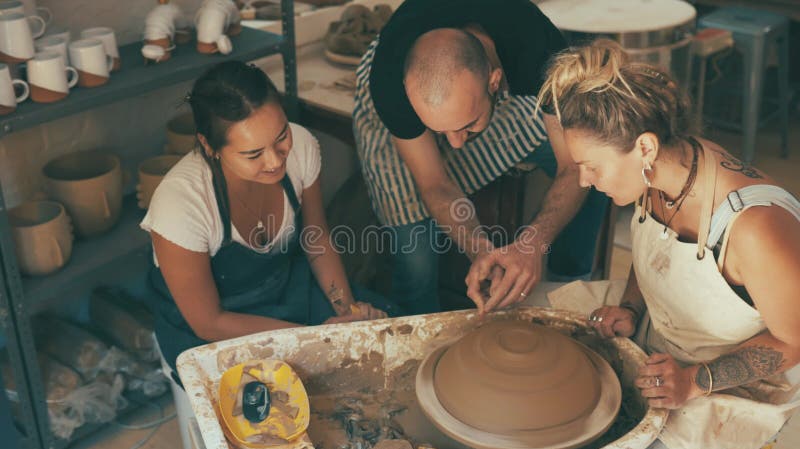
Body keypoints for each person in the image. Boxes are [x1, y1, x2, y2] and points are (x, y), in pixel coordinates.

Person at [516, 39, 800, 449]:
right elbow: (658, 253)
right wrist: (631, 307)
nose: (584, 181)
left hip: (731, 381)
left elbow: (793, 340)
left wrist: (695, 381)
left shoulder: (755, 227)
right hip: (665, 340)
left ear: (644, 147)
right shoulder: (658, 173)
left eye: (591, 167)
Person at [141, 61, 397, 378]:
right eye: (253, 154)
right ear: (209, 146)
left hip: (286, 287)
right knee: (279, 394)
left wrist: (347, 313)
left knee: (384, 339)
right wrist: (314, 338)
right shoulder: (181, 203)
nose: (275, 161)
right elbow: (209, 322)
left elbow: (316, 238)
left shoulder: (301, 146)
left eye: (281, 136)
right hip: (214, 326)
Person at [354, 0, 609, 315]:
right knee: (415, 253)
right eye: (442, 132)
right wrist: (480, 252)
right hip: (403, 77)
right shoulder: (391, 82)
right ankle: (417, 319)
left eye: (467, 126)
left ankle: (569, 284)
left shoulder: (539, 51)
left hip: (506, 67)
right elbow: (435, 183)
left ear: (495, 81)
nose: (456, 144)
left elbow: (573, 166)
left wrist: (532, 244)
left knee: (594, 165)